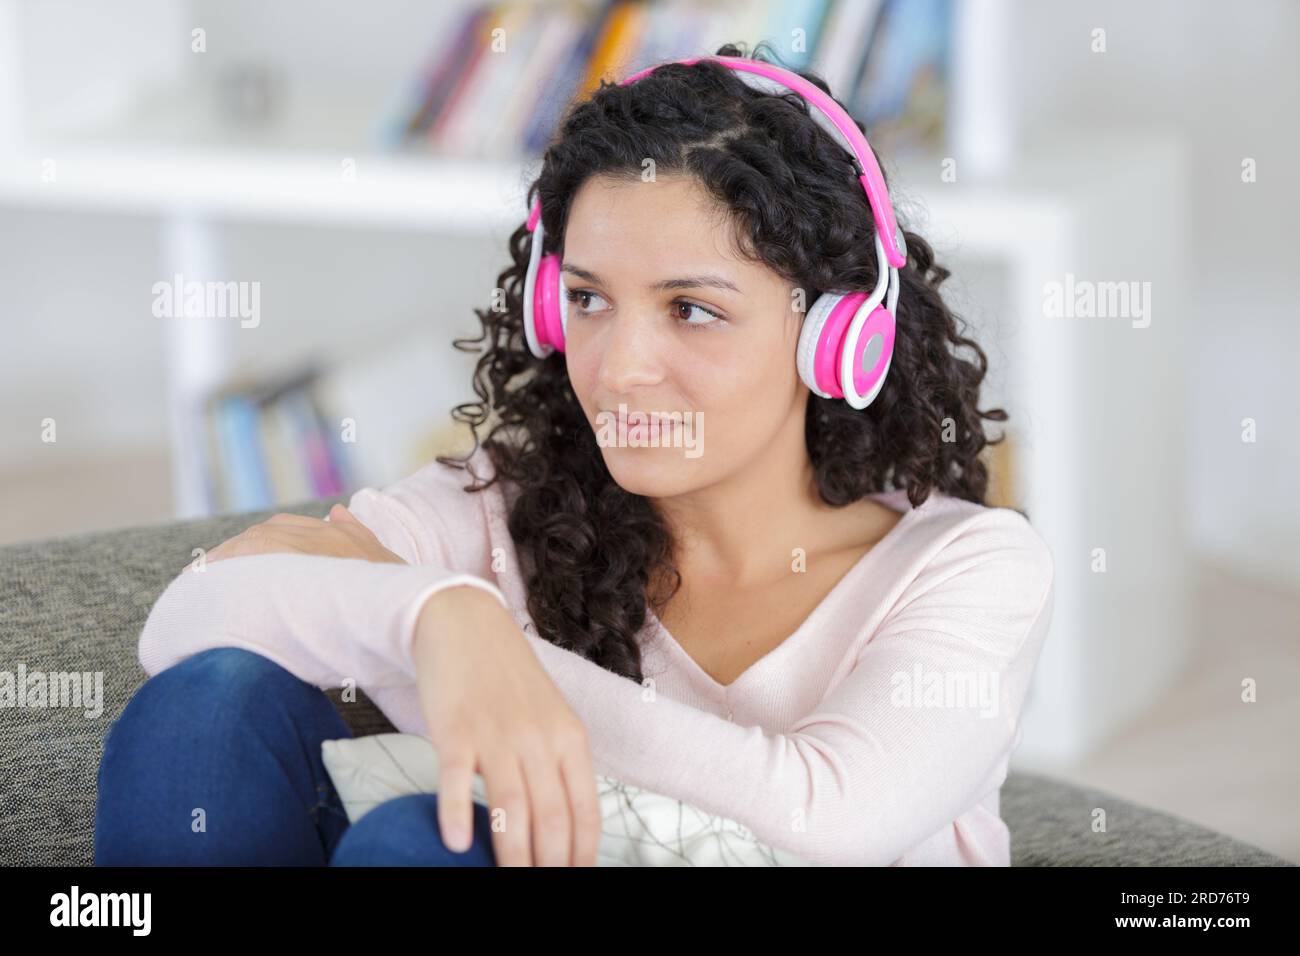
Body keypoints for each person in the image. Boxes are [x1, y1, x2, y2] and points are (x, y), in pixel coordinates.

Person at [95, 43, 1054, 868]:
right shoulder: (499, 511)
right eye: (589, 300)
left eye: (692, 310)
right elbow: (188, 620)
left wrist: (490, 660)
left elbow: (826, 820)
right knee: (210, 705)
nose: (621, 368)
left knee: (419, 847)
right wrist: (440, 621)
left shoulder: (967, 566)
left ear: (836, 339)